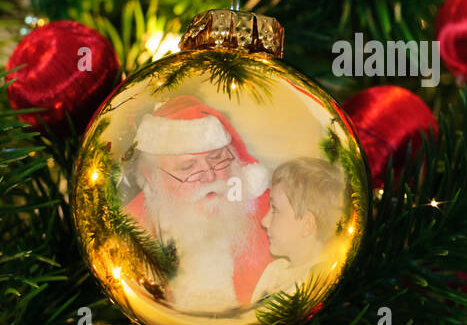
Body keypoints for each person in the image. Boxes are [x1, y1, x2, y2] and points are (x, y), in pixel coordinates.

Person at [124, 95, 271, 312]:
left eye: (216, 158)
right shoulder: (129, 229)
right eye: (187, 167)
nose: (210, 176)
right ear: (150, 177)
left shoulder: (271, 210)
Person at [253, 157, 345, 301]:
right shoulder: (274, 269)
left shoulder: (316, 283)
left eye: (275, 209)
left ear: (307, 225)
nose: (264, 221)